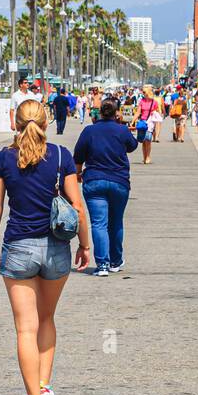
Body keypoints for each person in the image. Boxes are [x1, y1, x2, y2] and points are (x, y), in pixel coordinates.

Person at [0, 100, 89, 395]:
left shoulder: (4, 158)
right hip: (56, 247)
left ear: (14, 121)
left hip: (18, 247)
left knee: (25, 328)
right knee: (46, 319)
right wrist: (85, 245)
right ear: (46, 122)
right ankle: (44, 390)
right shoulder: (61, 156)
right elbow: (77, 205)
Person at [74, 98, 137, 277]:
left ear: (99, 112)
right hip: (119, 181)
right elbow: (132, 146)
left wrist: (78, 174)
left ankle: (102, 265)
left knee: (98, 223)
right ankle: (116, 261)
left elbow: (78, 156)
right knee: (116, 222)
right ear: (116, 113)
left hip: (94, 181)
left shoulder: (89, 131)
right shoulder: (122, 130)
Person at [135, 85, 158, 165]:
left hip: (150, 123)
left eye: (144, 92)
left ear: (148, 92)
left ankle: (148, 156)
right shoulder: (142, 101)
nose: (143, 93)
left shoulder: (154, 102)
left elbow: (156, 112)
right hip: (142, 122)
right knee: (143, 140)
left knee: (148, 140)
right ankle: (144, 157)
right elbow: (138, 112)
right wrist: (133, 120)